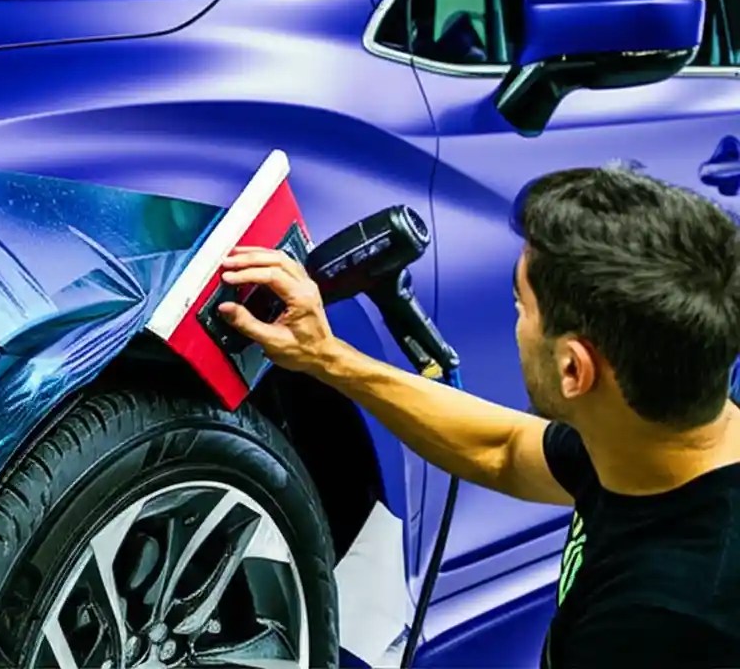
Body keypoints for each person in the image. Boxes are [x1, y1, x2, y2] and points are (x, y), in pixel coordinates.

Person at [217, 165, 740, 668]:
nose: (517, 321)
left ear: (573, 369)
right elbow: (505, 450)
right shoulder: (663, 438)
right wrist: (325, 356)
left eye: (521, 305)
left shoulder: (667, 623)